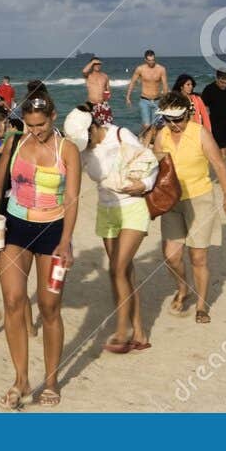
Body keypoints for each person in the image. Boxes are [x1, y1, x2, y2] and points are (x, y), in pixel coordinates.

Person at [0, 96, 81, 408]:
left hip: (53, 232)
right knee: (13, 300)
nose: (36, 131)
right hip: (15, 229)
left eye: (42, 124)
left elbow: (72, 199)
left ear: (54, 116)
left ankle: (51, 380)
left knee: (50, 307)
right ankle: (21, 379)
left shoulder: (67, 149)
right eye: (30, 125)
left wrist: (66, 241)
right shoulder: (14, 143)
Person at [67, 102, 156, 353]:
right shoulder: (83, 149)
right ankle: (138, 331)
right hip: (106, 211)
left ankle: (121, 330)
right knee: (122, 272)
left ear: (94, 126)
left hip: (133, 207)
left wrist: (146, 184)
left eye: (89, 137)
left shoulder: (120, 135)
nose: (89, 144)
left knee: (117, 268)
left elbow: (150, 162)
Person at [152, 91, 226, 323]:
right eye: (168, 119)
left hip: (200, 199)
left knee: (198, 257)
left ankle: (201, 305)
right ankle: (183, 287)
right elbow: (155, 168)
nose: (173, 124)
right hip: (171, 201)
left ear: (187, 114)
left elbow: (218, 164)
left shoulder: (200, 133)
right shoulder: (162, 135)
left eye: (177, 119)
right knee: (171, 255)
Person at [126, 49, 168, 130]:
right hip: (144, 100)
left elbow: (165, 85)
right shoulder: (140, 69)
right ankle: (144, 139)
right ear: (145, 60)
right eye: (149, 60)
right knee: (146, 125)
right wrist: (128, 97)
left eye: (153, 60)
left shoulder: (161, 69)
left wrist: (166, 100)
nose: (151, 62)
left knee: (155, 126)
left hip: (157, 100)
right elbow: (132, 82)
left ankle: (151, 140)